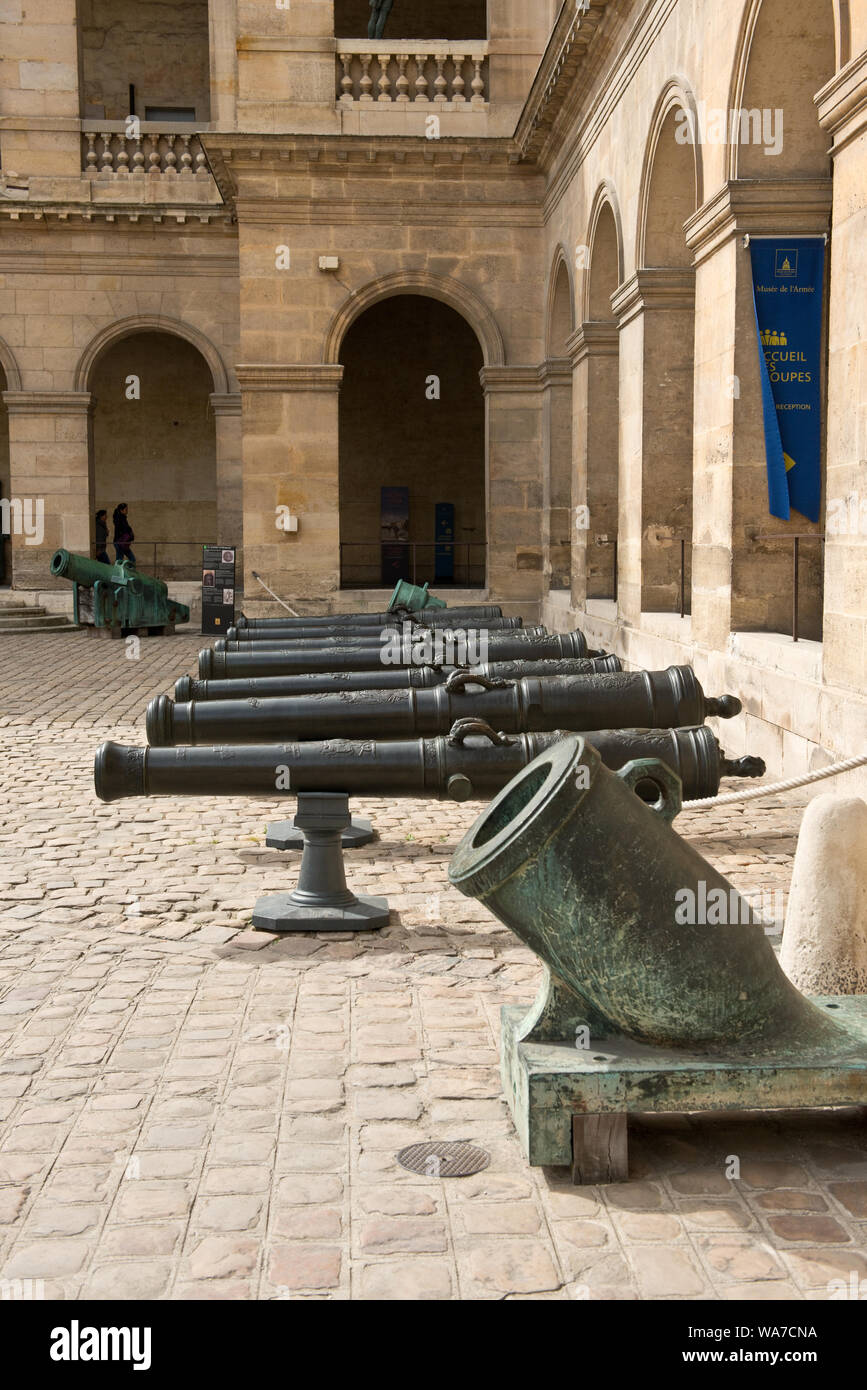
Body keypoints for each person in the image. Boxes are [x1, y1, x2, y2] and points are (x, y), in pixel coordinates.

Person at [112, 503, 136, 567]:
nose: (127, 511)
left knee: (127, 559)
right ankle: (120, 574)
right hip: (120, 542)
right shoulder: (120, 519)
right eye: (126, 509)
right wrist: (130, 532)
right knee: (120, 560)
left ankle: (124, 573)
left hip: (121, 542)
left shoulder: (121, 518)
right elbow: (124, 529)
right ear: (121, 510)